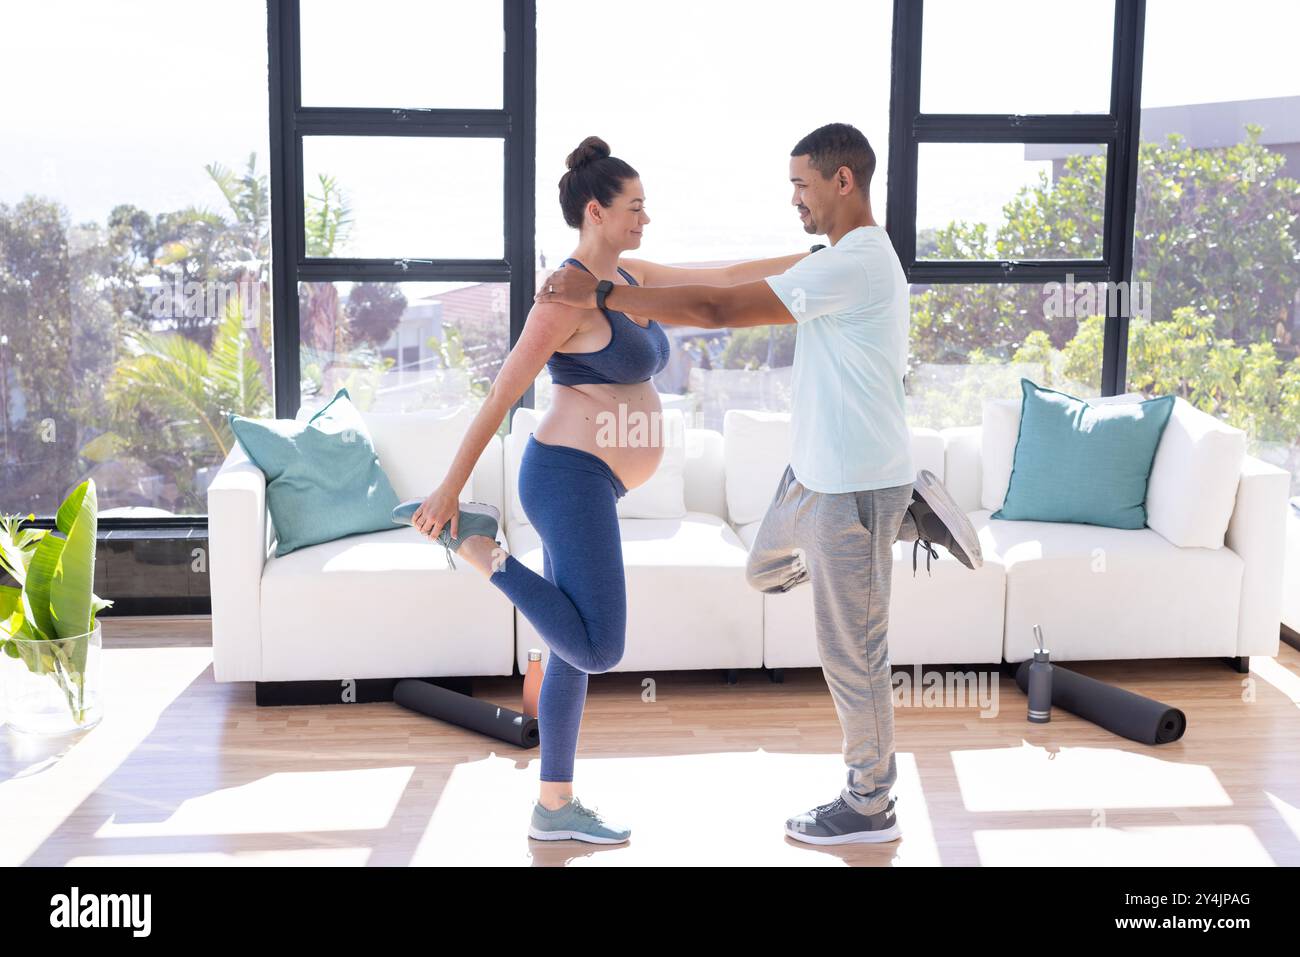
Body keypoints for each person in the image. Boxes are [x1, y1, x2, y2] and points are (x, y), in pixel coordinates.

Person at [537, 122, 984, 846]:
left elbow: (719, 310)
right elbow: (721, 276)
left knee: (852, 652)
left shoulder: (857, 264)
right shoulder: (835, 255)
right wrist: (622, 278)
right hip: (809, 477)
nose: (795, 200)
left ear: (844, 182)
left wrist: (606, 298)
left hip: (853, 486)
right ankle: (904, 515)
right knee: (762, 568)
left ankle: (871, 804)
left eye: (802, 186)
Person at [409, 135, 812, 844]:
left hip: (594, 484)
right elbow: (502, 395)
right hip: (567, 476)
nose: (644, 220)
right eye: (634, 207)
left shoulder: (626, 277)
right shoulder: (561, 298)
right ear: (595, 211)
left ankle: (554, 807)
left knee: (571, 651)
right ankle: (481, 550)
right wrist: (449, 487)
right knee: (599, 647)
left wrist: (818, 259)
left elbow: (719, 279)